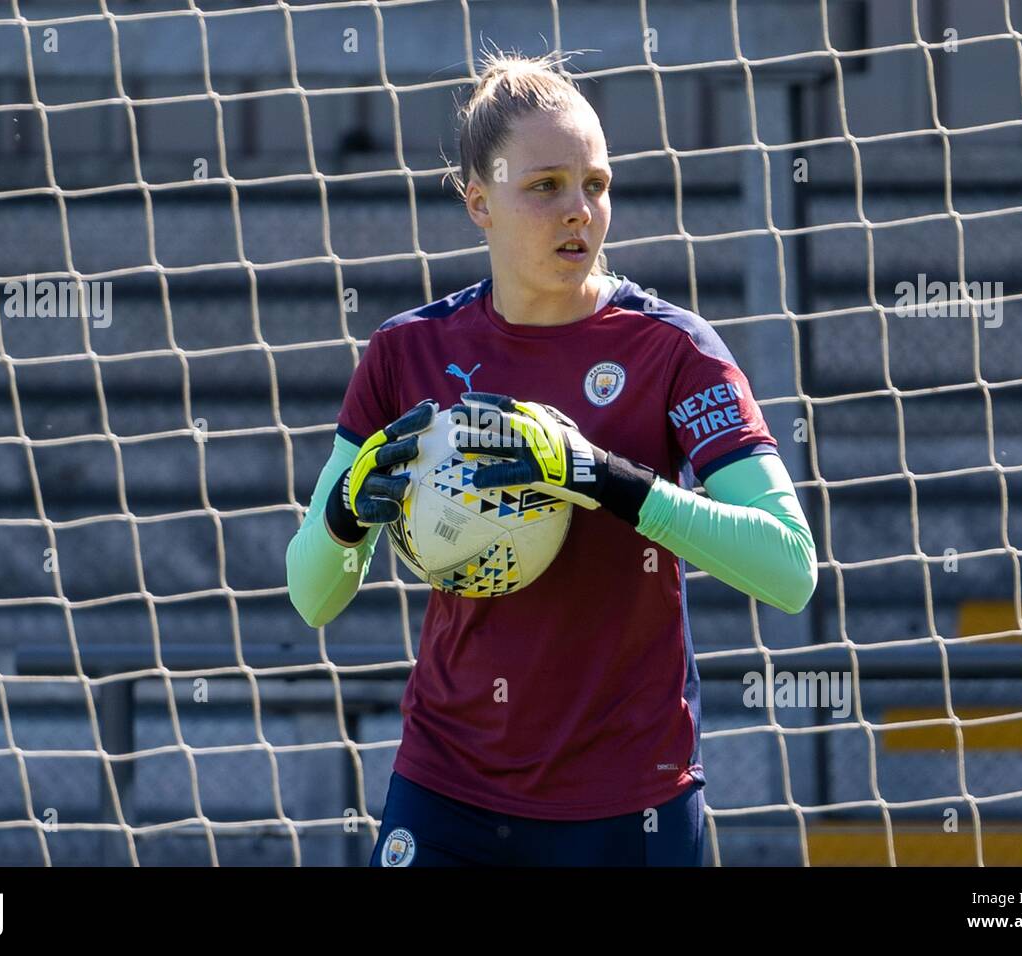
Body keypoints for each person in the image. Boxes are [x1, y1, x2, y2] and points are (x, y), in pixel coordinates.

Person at [286, 50, 818, 866]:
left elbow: (789, 568)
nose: (581, 211)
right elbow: (312, 597)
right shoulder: (406, 355)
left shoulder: (674, 351)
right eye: (546, 187)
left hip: (631, 800)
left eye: (596, 185)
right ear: (479, 202)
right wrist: (345, 510)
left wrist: (598, 476)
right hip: (448, 785)